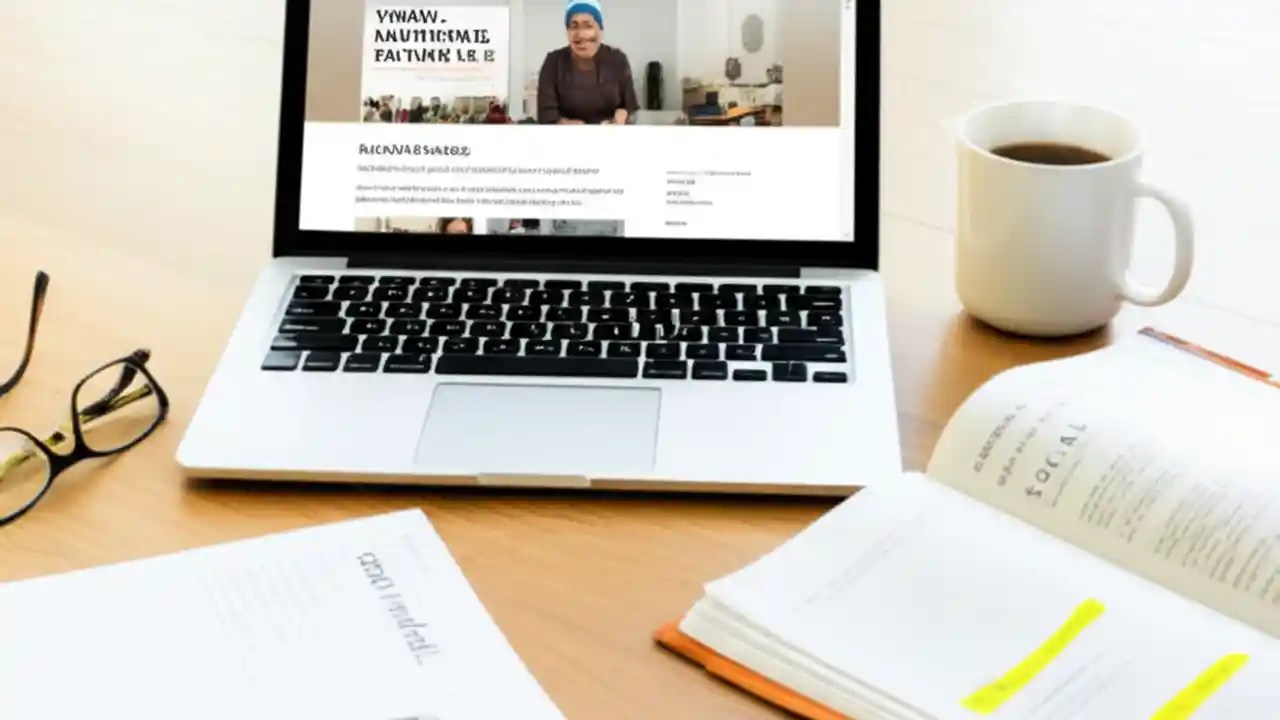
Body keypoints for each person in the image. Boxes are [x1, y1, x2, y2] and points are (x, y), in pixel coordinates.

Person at [537, 0, 639, 125]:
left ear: (600, 30)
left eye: (588, 26)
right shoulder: (553, 62)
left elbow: (631, 107)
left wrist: (623, 115)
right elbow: (546, 116)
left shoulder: (617, 59)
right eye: (574, 26)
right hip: (565, 140)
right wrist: (564, 124)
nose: (581, 34)